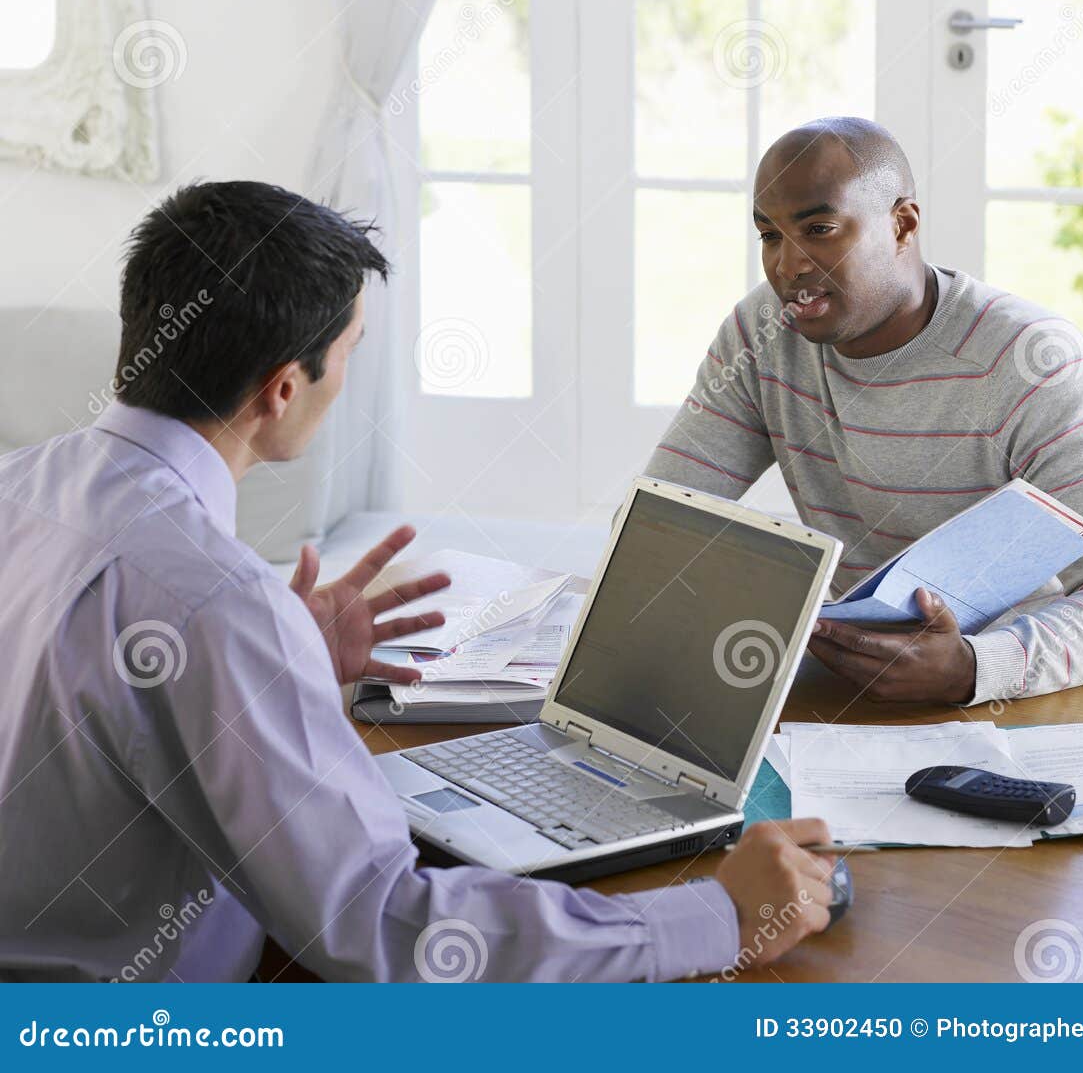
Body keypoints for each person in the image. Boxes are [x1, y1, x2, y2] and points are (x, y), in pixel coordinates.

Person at [0, 180, 835, 983]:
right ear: (284, 389)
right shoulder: (215, 606)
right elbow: (389, 932)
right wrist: (712, 917)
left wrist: (278, 662)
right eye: (347, 355)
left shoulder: (20, 486)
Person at [647, 118, 1083, 707]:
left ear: (902, 225)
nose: (787, 266)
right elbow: (660, 527)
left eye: (819, 229)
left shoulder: (1033, 362)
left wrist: (975, 667)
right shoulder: (763, 334)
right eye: (769, 235)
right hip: (880, 695)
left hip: (1059, 708)